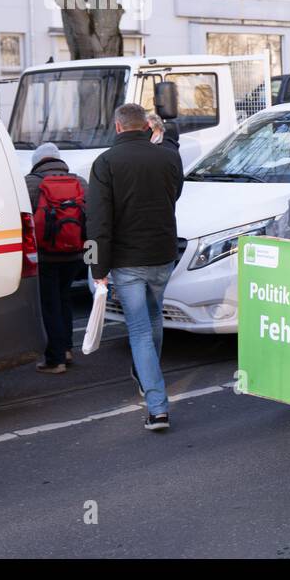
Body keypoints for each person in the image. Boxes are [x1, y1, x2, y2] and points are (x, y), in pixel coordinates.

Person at [86, 103, 184, 432]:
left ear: (117, 127)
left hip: (127, 261)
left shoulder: (105, 164)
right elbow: (174, 196)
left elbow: (97, 221)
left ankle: (157, 407)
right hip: (163, 254)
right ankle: (146, 377)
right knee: (154, 320)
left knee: (140, 330)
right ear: (144, 125)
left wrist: (96, 266)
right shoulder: (169, 158)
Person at [26, 143, 89, 374]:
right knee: (64, 300)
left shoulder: (31, 183)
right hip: (74, 255)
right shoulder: (79, 182)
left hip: (45, 256)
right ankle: (68, 349)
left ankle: (55, 359)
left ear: (37, 161)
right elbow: (89, 218)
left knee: (49, 305)